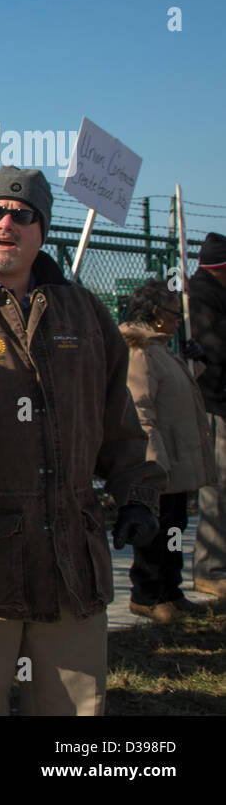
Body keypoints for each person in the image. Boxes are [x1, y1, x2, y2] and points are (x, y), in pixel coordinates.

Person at [0, 165, 164, 716]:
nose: (7, 222)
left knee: (73, 711)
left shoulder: (84, 311)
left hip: (70, 560)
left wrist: (138, 495)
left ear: (42, 231)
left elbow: (120, 422)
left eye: (23, 215)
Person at [120, 279, 217, 620]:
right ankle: (147, 593)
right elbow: (140, 407)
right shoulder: (139, 350)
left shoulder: (160, 348)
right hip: (160, 462)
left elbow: (179, 392)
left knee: (175, 530)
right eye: (175, 312)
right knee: (155, 533)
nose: (179, 318)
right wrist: (151, 460)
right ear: (157, 313)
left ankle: (170, 590)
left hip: (178, 459)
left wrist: (195, 363)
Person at [188, 231, 226, 600]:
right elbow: (214, 346)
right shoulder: (202, 295)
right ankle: (210, 567)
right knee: (217, 488)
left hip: (219, 398)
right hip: (215, 401)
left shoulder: (213, 293)